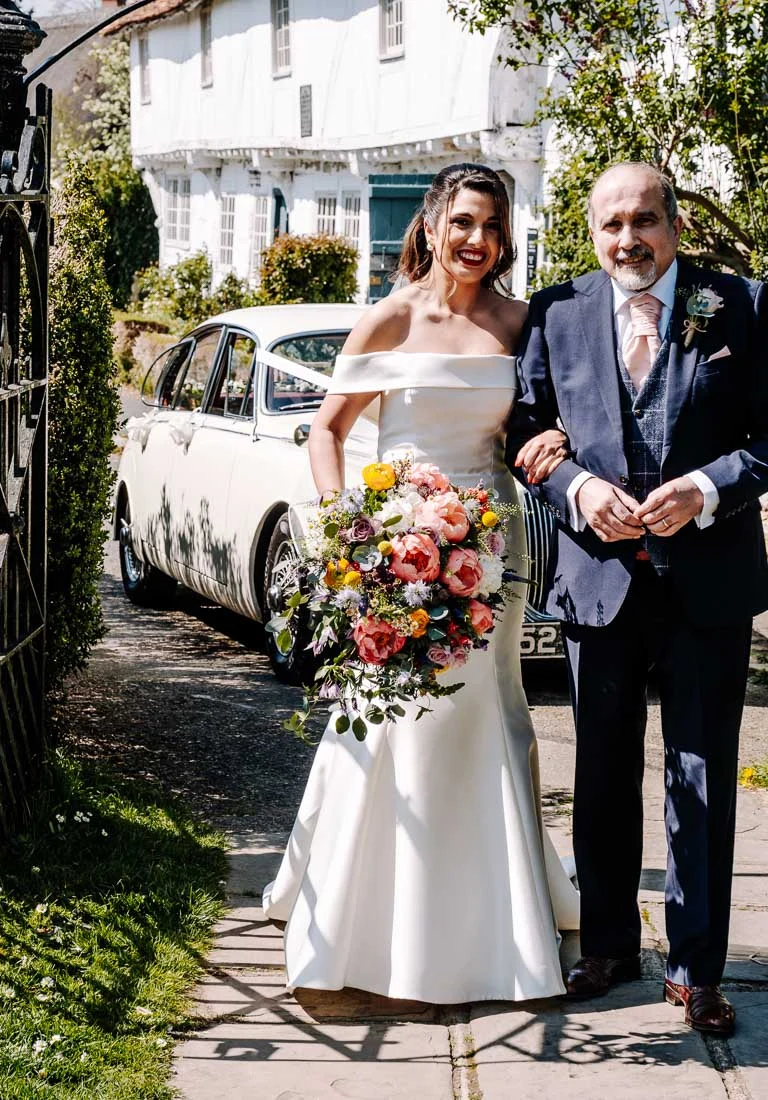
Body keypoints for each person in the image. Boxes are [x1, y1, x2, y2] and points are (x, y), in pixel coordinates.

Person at [260, 163, 580, 1003]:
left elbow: (543, 420)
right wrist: (356, 538)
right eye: (465, 222)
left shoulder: (522, 321)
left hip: (491, 547)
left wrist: (557, 444)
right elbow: (328, 435)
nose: (479, 241)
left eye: (494, 227)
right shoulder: (390, 318)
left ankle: (498, 917)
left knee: (488, 710)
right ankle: (367, 916)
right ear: (434, 224)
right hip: (398, 549)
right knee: (394, 718)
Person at [505, 162, 768, 1035]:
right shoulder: (558, 314)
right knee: (599, 770)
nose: (627, 240)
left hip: (708, 586)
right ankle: (604, 946)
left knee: (702, 774)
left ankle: (697, 969)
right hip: (597, 582)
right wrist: (569, 484)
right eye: (610, 225)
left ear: (674, 225)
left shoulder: (736, 305)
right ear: (592, 233)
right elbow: (524, 422)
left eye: (643, 220)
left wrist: (706, 491)